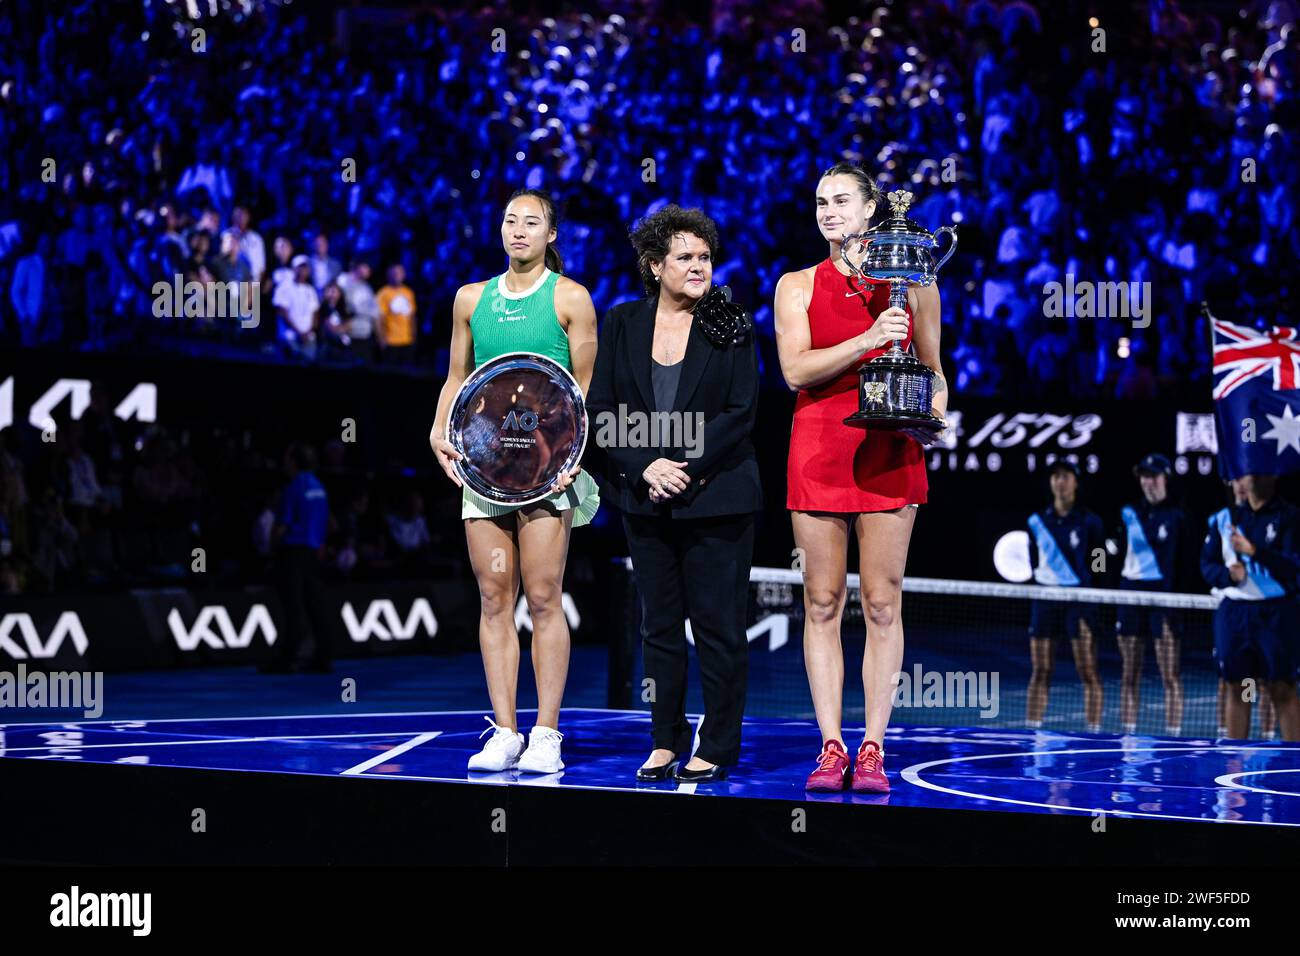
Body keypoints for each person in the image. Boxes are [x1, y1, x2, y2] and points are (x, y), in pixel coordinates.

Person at [775, 163, 947, 793]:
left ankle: (873, 747)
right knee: (821, 602)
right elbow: (796, 370)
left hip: (888, 451)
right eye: (821, 202)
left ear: (872, 209)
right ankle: (829, 745)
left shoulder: (917, 283)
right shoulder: (795, 284)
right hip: (819, 448)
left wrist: (935, 412)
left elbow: (932, 370)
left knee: (882, 602)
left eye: (841, 201)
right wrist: (870, 337)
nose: (828, 211)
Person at [587, 204, 762, 783]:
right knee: (658, 627)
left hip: (718, 499)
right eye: (684, 257)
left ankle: (715, 744)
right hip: (647, 498)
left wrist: (680, 464)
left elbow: (741, 413)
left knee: (718, 626)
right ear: (655, 265)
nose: (698, 266)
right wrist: (647, 468)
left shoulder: (731, 323)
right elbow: (603, 412)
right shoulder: (620, 324)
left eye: (705, 257)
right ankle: (664, 739)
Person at [429, 188, 600, 774]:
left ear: (551, 235)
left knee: (545, 596)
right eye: (509, 220)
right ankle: (504, 731)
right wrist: (437, 426)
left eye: (532, 222)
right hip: (484, 468)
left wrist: (572, 453)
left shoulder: (571, 299)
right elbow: (457, 377)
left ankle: (546, 733)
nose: (518, 229)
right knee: (495, 597)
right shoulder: (470, 299)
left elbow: (584, 390)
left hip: (549, 469)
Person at [1200, 473, 1300, 740]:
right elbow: (1207, 565)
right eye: (1238, 478)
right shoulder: (1223, 519)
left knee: (1281, 687)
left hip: (1276, 613)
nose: (1244, 484)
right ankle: (1236, 761)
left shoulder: (1289, 517)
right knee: (1239, 685)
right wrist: (1227, 576)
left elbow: (1293, 566)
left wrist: (1256, 552)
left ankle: (1294, 765)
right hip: (1235, 614)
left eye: (1250, 477)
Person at [1025, 459, 1106, 731]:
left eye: (1066, 476)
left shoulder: (1091, 522)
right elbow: (1032, 560)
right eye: (1056, 476)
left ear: (1075, 482)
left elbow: (1100, 562)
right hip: (1045, 599)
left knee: (1087, 669)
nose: (1060, 481)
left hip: (1079, 602)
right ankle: (1032, 729)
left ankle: (1093, 731)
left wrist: (1089, 590)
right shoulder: (1036, 522)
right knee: (1041, 670)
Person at [1115, 453, 1189, 735]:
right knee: (1129, 674)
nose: (1148, 482)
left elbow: (1186, 562)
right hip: (1130, 595)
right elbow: (1108, 556)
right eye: (1144, 477)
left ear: (1165, 479)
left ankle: (1174, 735)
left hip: (1165, 598)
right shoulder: (1127, 514)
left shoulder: (1179, 517)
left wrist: (1180, 601)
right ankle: (1128, 736)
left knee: (1170, 674)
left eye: (1153, 476)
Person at [261, 442, 331, 674]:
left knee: (293, 607)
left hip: (291, 554)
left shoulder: (294, 488)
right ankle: (322, 657)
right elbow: (323, 523)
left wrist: (270, 551)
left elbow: (281, 527)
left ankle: (287, 659)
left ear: (293, 461)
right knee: (315, 605)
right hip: (313, 553)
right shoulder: (319, 487)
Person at [273, 254, 320, 360]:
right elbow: (282, 313)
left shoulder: (311, 290)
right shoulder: (284, 287)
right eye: (300, 267)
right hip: (289, 338)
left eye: (306, 267)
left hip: (308, 339)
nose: (303, 270)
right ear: (294, 269)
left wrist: (308, 332)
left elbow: (315, 314)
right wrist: (299, 332)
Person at [376, 262, 417, 364]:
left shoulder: (409, 292)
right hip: (390, 342)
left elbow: (412, 316)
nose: (397, 275)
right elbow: (379, 319)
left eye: (399, 273)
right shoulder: (383, 293)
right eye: (394, 273)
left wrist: (414, 336)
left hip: (407, 341)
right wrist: (381, 339)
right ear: (389, 275)